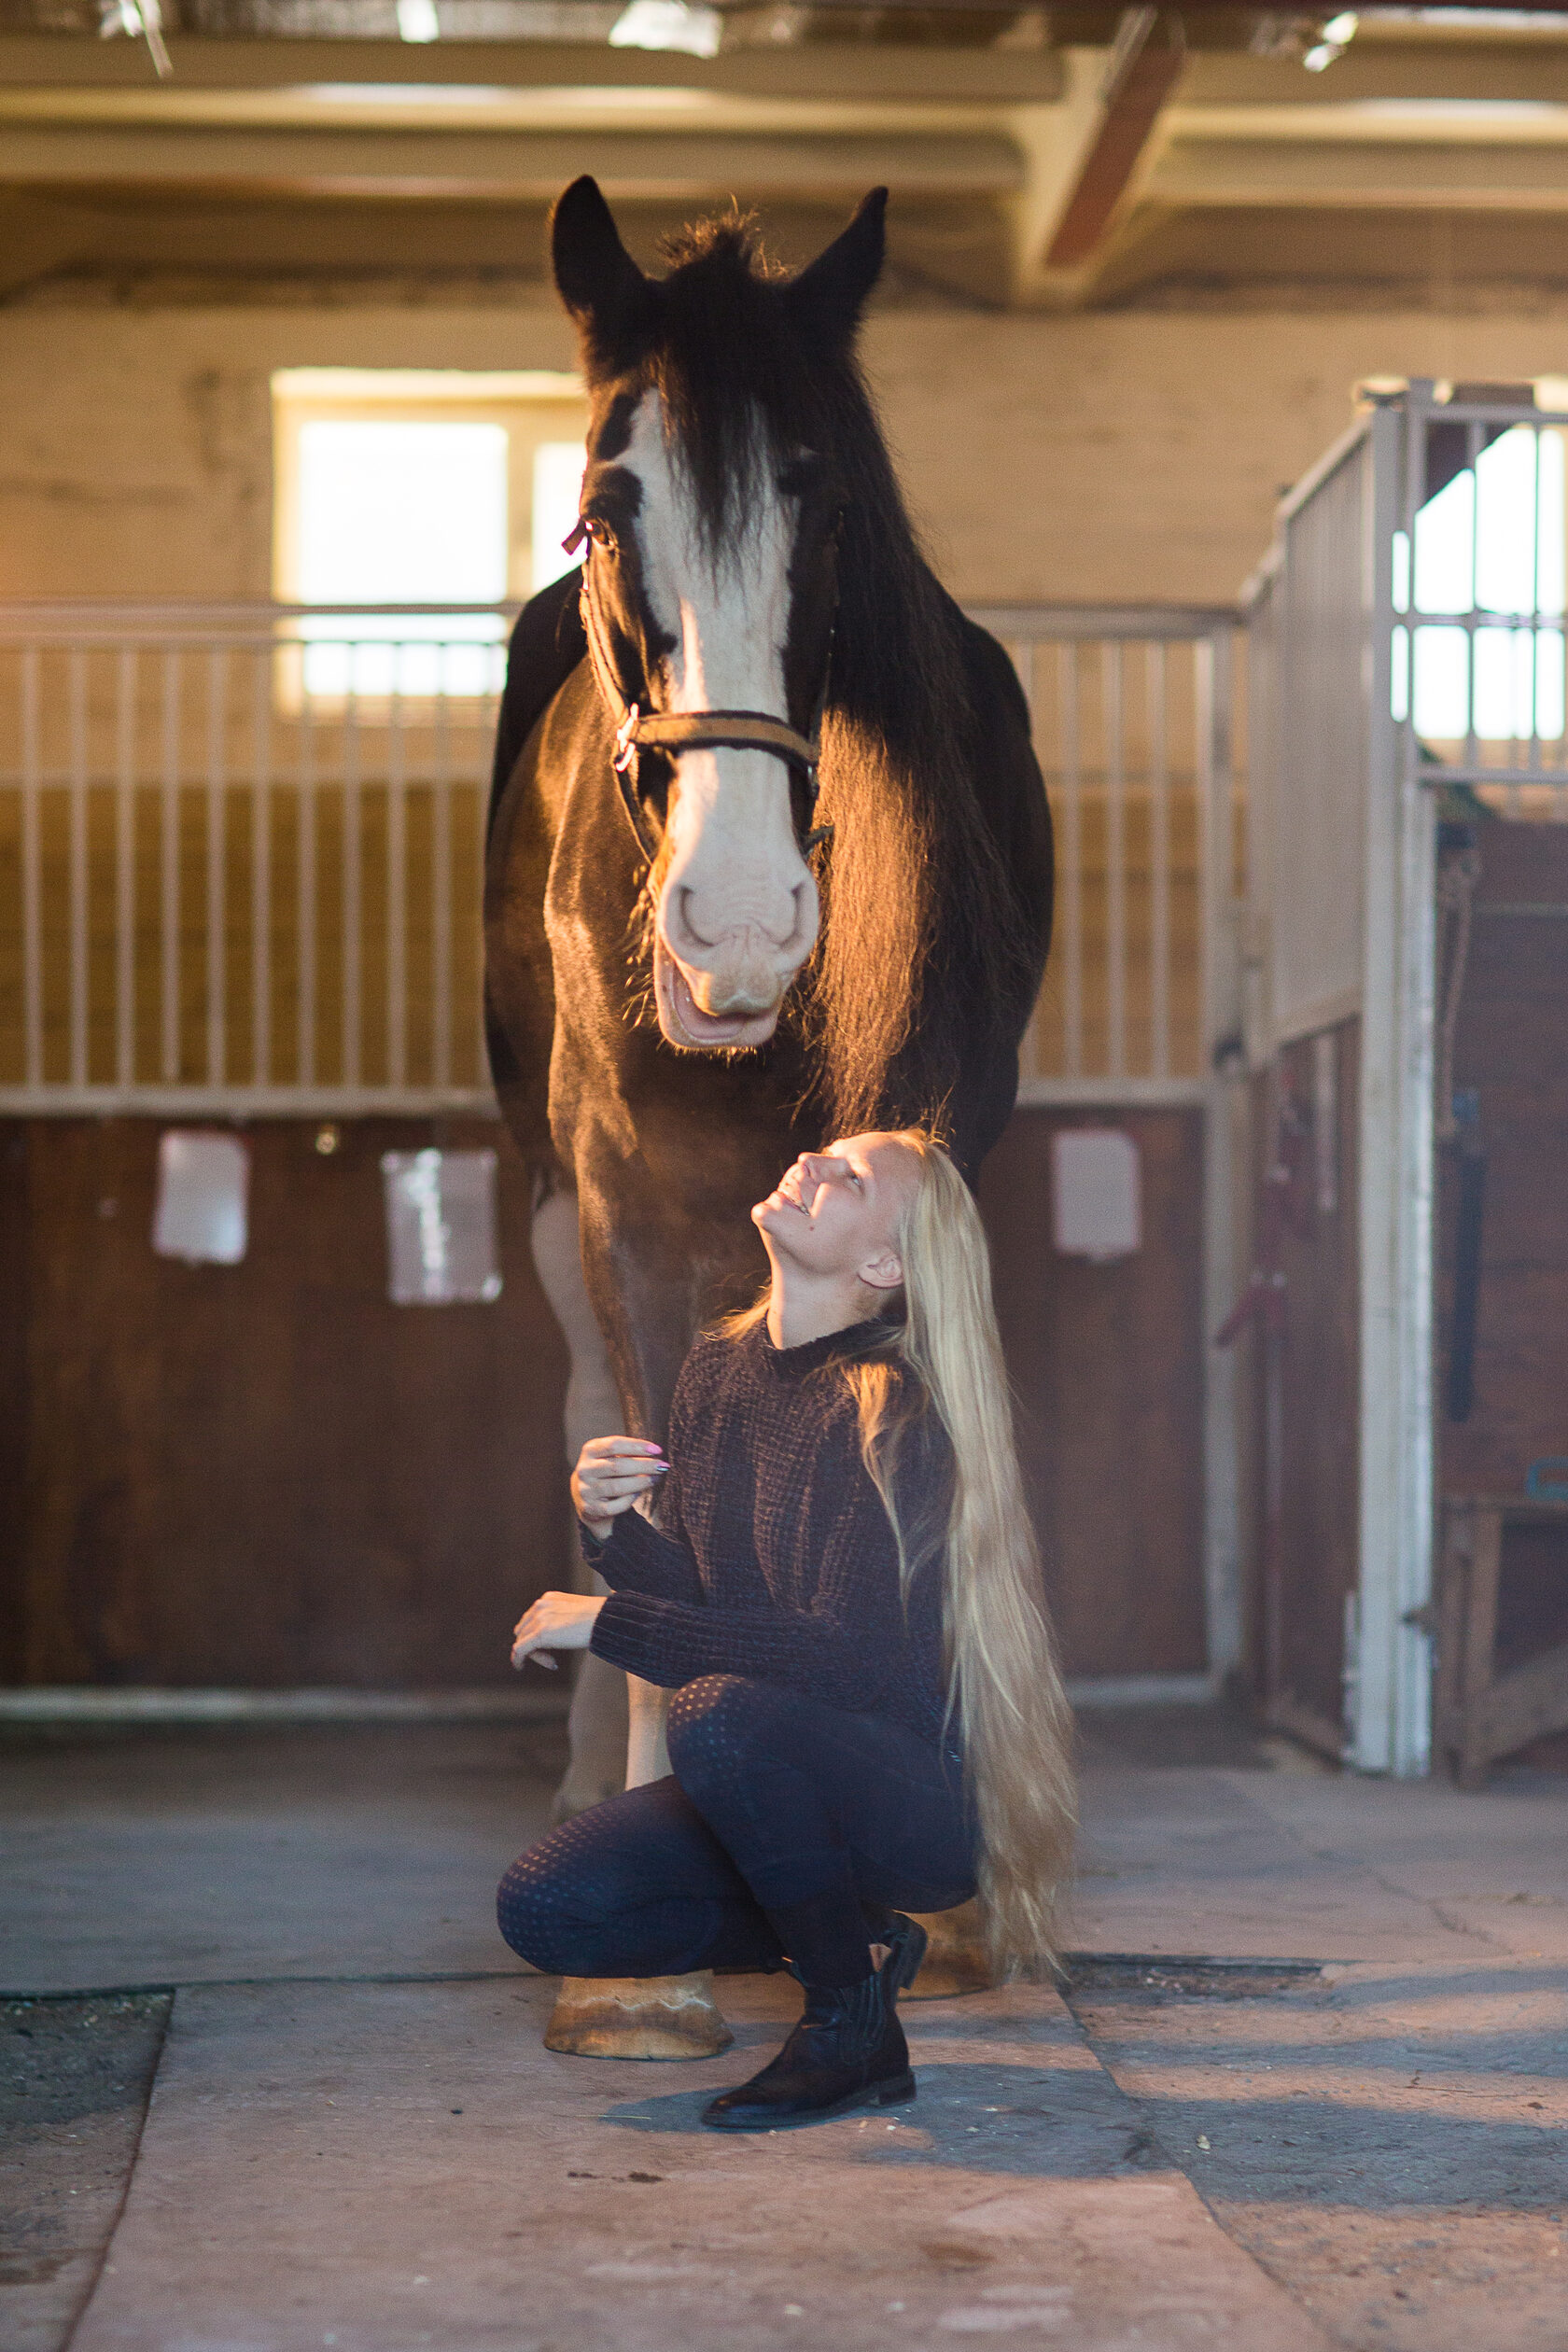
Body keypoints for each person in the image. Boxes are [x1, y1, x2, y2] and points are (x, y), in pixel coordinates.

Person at [497, 1129, 1076, 2131]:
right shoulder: (721, 1368)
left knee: (720, 1712)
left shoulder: (894, 1409)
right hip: (774, 1768)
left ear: (884, 1266)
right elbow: (718, 1609)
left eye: (849, 1177)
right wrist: (609, 1530)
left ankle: (851, 2027)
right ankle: (855, 1935)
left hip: (912, 1800)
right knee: (549, 1905)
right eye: (822, 1153)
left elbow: (846, 1658)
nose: (810, 1163)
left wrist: (611, 1621)